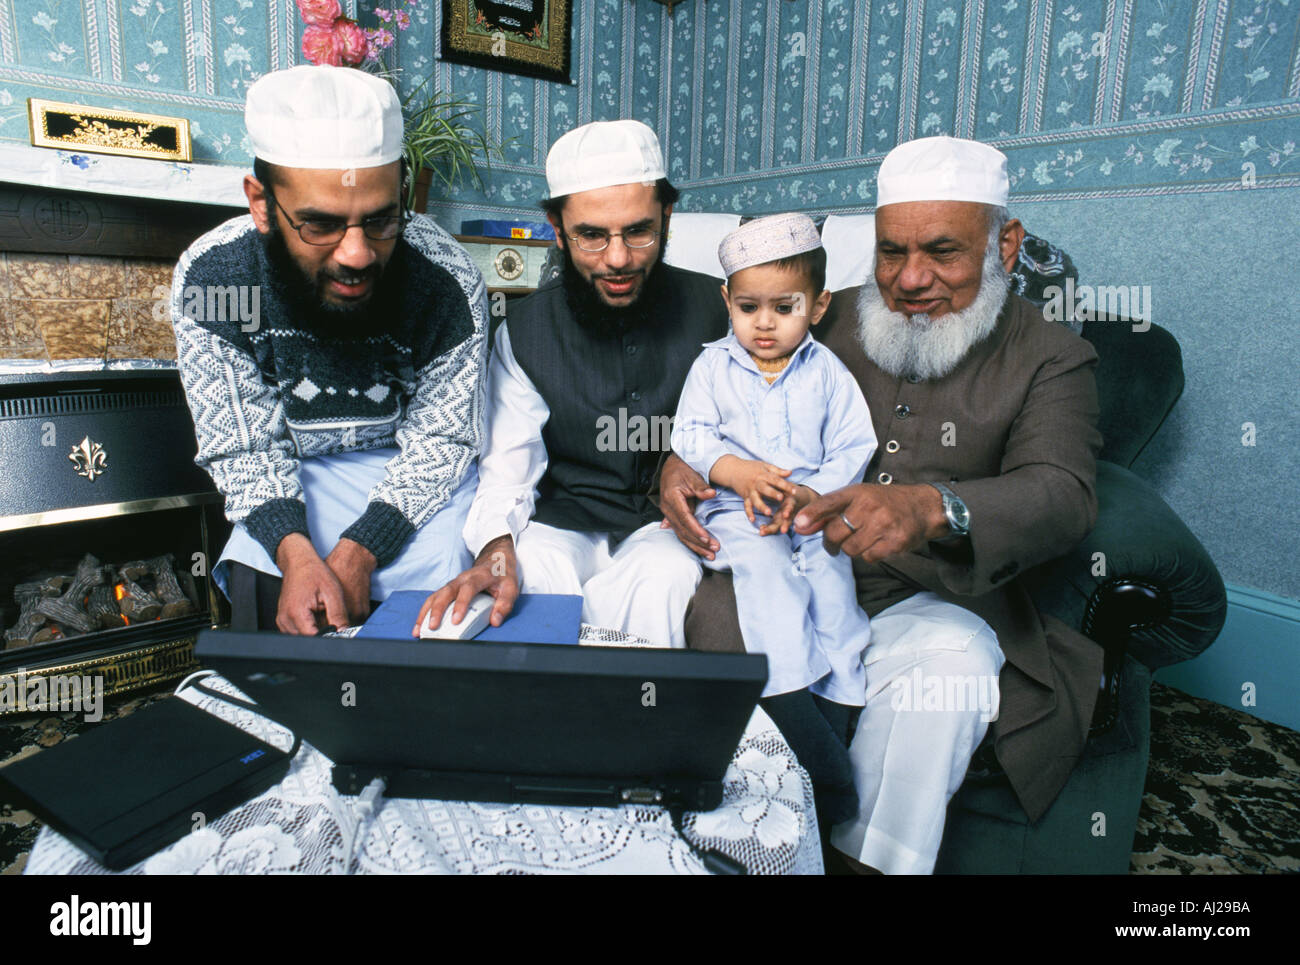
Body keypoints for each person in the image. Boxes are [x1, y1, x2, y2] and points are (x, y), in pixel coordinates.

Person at [660, 136, 1104, 874]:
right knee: (672, 592)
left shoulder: (1052, 357)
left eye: (942, 251)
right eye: (891, 252)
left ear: (1006, 245)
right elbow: (726, 399)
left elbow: (1063, 493)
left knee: (949, 673)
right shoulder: (824, 320)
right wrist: (680, 462)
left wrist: (935, 508)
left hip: (931, 596)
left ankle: (861, 860)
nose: (910, 279)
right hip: (790, 561)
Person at [171, 65, 488, 635]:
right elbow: (241, 445)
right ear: (261, 203)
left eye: (381, 220)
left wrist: (361, 549)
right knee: (260, 578)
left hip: (409, 468)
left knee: (445, 596)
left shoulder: (446, 281)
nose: (358, 254)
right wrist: (295, 553)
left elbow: (442, 440)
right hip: (296, 469)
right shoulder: (214, 278)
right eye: (320, 224)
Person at [418, 120, 724, 648]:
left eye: (638, 231)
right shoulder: (524, 331)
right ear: (558, 229)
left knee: (663, 582)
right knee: (531, 569)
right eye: (591, 236)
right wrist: (497, 548)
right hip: (565, 520)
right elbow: (507, 467)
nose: (618, 258)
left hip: (665, 525)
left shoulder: (722, 310)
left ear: (667, 218)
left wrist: (692, 459)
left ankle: (635, 722)